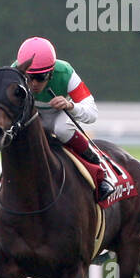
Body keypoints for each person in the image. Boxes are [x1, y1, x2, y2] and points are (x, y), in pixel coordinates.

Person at [13, 37, 113, 201]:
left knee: (62, 129)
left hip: (59, 115)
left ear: (51, 72)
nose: (34, 84)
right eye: (30, 77)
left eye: (41, 77)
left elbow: (92, 113)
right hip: (32, 117)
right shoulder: (14, 72)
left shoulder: (65, 72)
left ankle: (99, 172)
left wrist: (70, 106)